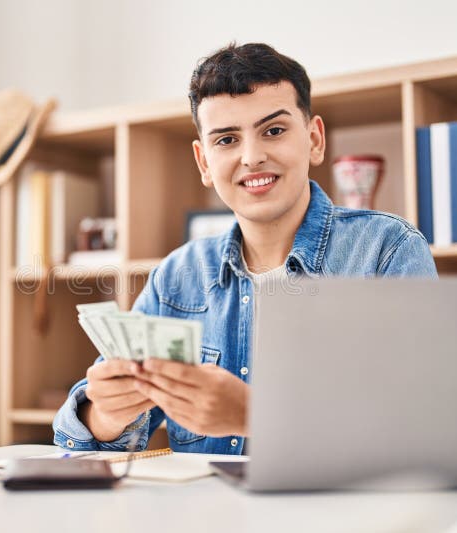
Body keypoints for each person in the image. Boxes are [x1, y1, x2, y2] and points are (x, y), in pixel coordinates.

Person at [53, 42, 437, 454]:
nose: (252, 157)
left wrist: (254, 415)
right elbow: (78, 439)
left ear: (314, 139)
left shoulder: (387, 251)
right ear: (204, 163)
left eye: (273, 131)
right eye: (227, 140)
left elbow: (425, 424)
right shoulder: (177, 277)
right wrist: (108, 415)